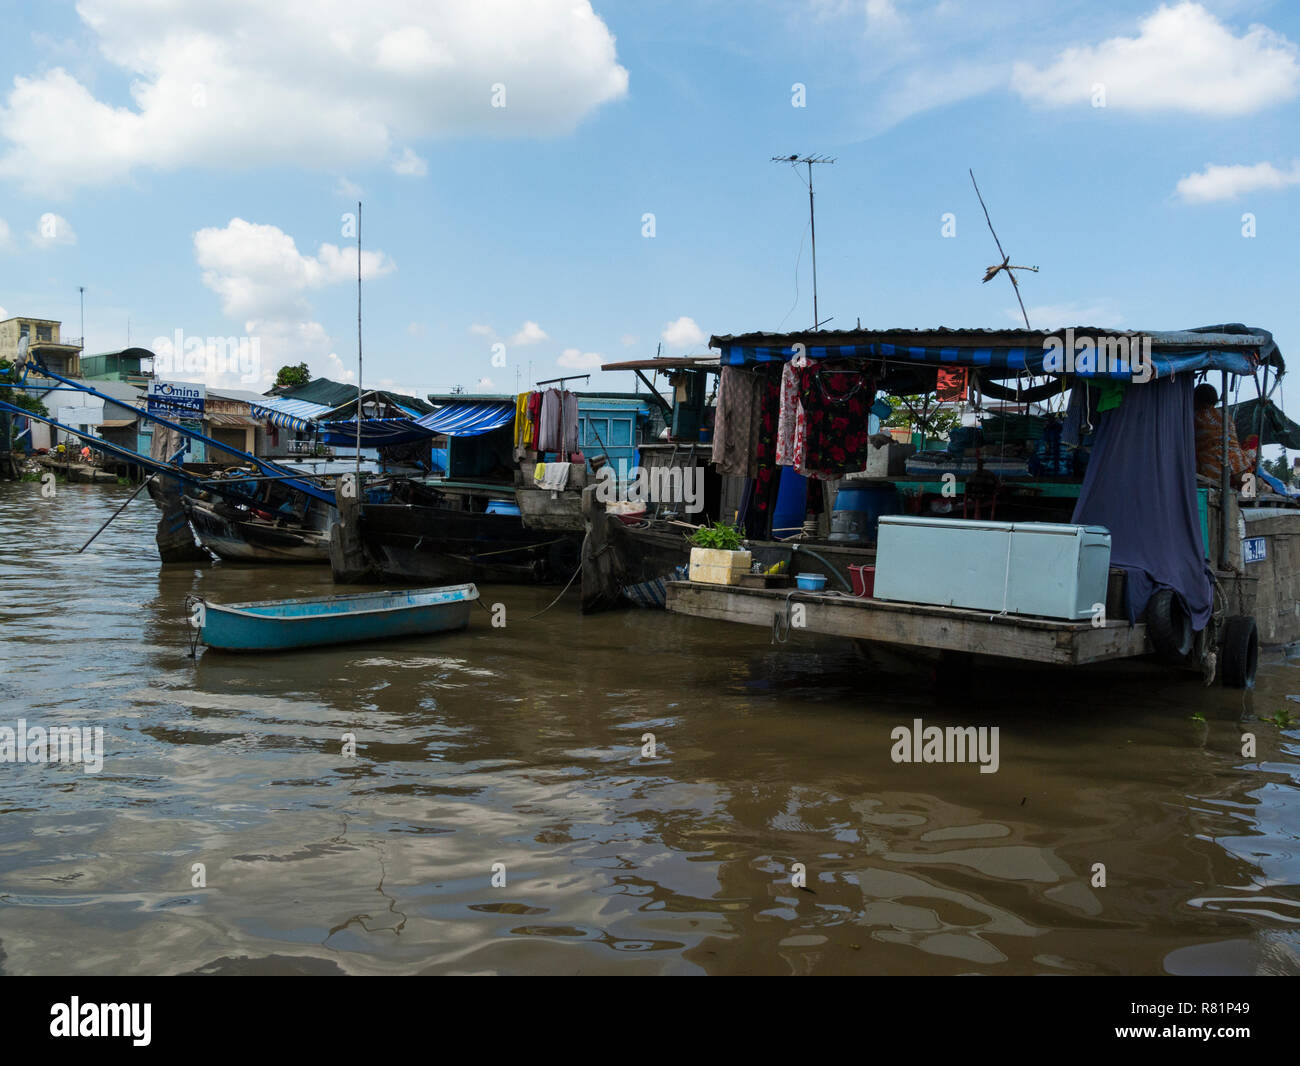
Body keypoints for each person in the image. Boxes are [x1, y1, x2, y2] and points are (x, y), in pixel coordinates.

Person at [1194, 383, 1252, 488]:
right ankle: (1256, 491)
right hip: (1241, 465)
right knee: (1251, 492)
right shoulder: (1225, 416)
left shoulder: (1195, 418)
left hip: (1214, 471)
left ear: (1196, 400)